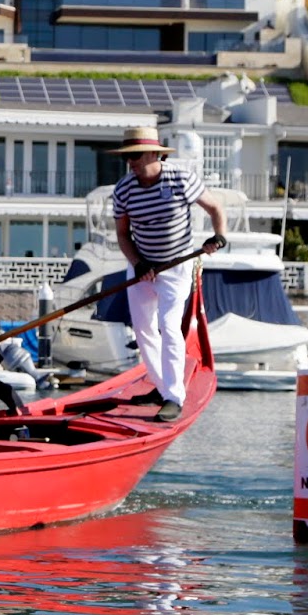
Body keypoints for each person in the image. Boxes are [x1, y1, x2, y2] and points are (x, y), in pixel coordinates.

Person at [109, 126, 226, 423]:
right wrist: (137, 263)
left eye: (135, 156)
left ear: (153, 153)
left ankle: (174, 397)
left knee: (169, 326)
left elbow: (215, 208)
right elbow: (123, 235)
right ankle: (161, 386)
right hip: (142, 266)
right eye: (128, 157)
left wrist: (219, 236)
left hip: (175, 266)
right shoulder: (123, 189)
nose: (131, 162)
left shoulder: (181, 179)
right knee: (143, 329)